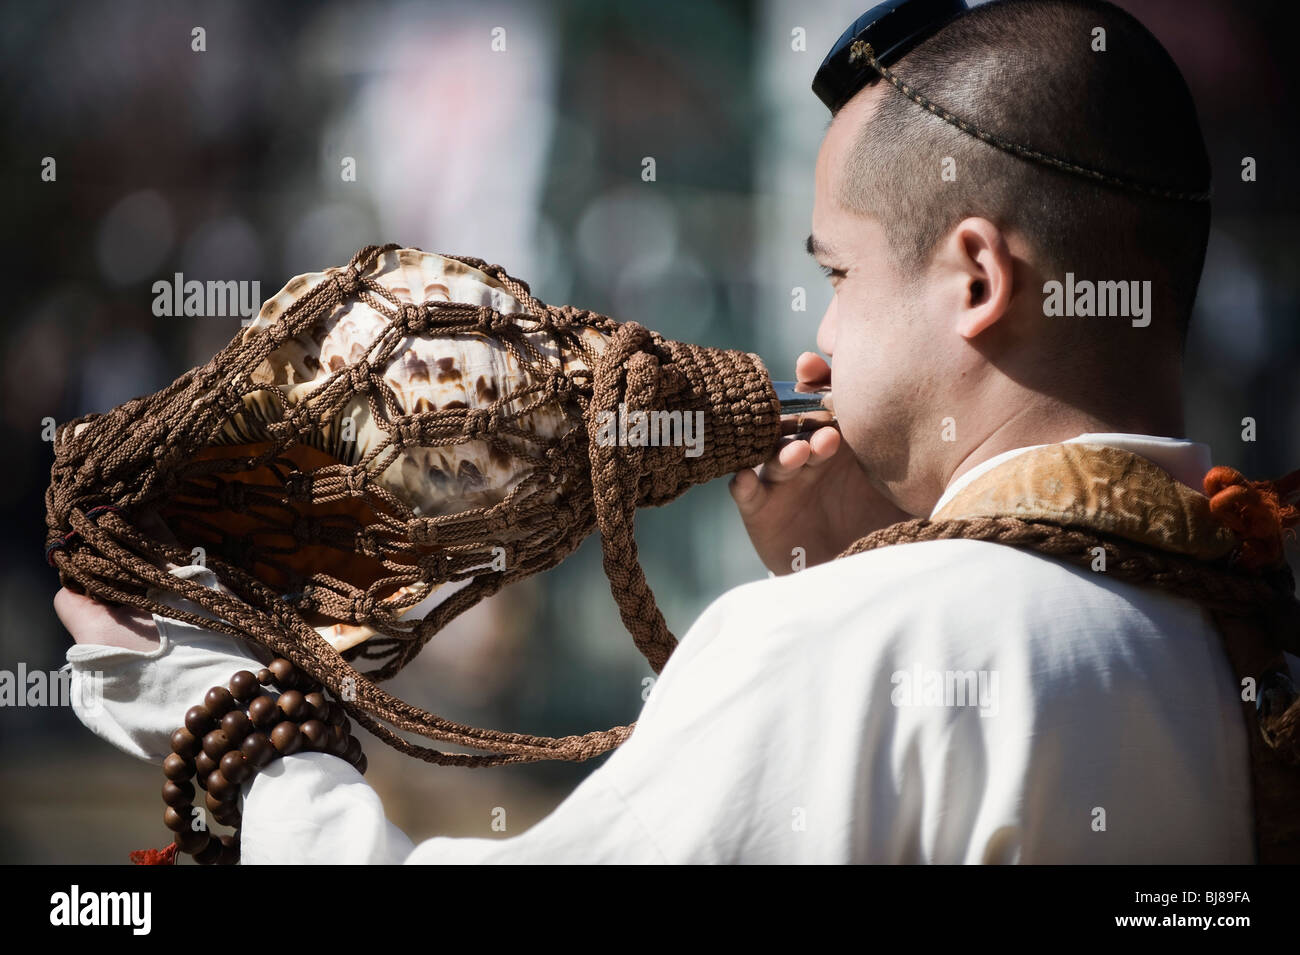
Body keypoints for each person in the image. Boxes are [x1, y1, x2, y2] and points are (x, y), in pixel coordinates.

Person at [56, 0, 1264, 862]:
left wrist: (231, 734)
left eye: (836, 272)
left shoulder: (860, 644)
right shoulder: (1233, 628)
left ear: (976, 280)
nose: (814, 348)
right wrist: (857, 567)